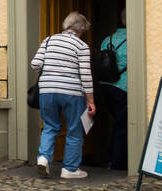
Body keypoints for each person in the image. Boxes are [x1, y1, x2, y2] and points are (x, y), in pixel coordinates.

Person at [31, 11, 96, 180]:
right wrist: (91, 100)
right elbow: (86, 75)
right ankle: (70, 169)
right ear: (80, 30)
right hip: (71, 93)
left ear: (66, 26)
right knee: (74, 129)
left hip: (47, 90)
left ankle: (43, 158)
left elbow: (35, 64)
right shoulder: (81, 46)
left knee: (50, 126)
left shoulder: (49, 40)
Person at [99, 10, 129, 171]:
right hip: (123, 88)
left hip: (106, 87)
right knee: (123, 126)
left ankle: (110, 159)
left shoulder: (107, 39)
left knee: (117, 123)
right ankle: (117, 163)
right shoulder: (133, 40)